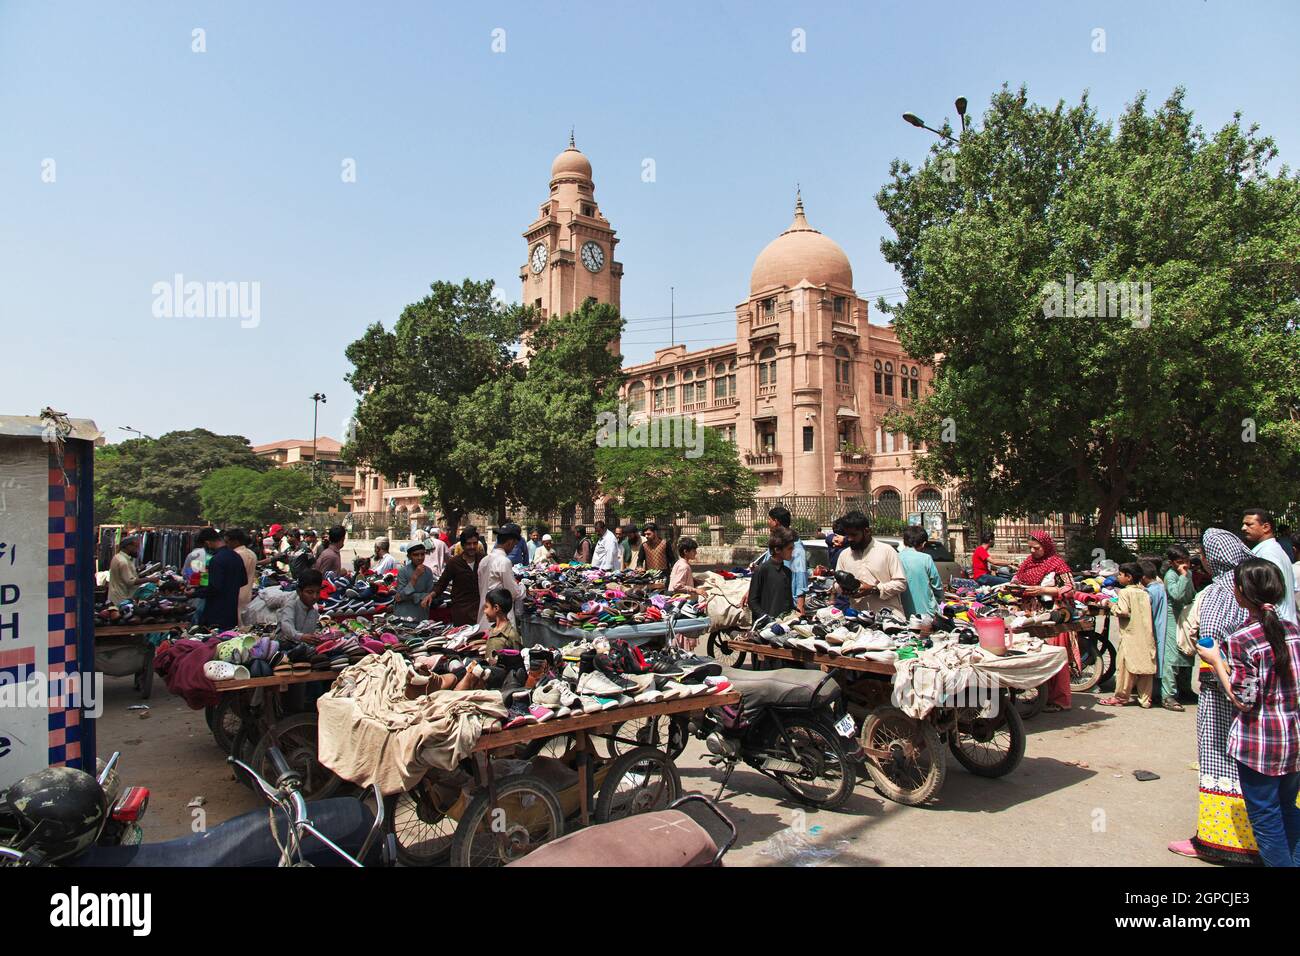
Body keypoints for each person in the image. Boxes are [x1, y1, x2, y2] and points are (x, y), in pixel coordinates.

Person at [1195, 558, 1300, 867]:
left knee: (1266, 817)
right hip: (1293, 737)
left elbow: (1244, 700)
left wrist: (1215, 660)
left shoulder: (1243, 638)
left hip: (1259, 743)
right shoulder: (1293, 629)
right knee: (1287, 807)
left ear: (1240, 592)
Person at [1170, 529, 1258, 862]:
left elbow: (1210, 639)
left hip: (1223, 689)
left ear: (1213, 557)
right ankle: (1258, 836)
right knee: (1251, 762)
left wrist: (1213, 658)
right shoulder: (1255, 582)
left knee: (1220, 757)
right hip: (1254, 687)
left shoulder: (1222, 589)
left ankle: (1221, 841)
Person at [1011, 530, 1074, 713]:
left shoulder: (1057, 563)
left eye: (1036, 548)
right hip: (1030, 613)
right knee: (1036, 654)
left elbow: (1069, 588)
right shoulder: (1028, 563)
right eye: (1030, 548)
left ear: (1045, 546)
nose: (1032, 551)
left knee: (1053, 656)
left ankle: (1060, 699)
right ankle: (1043, 696)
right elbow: (1018, 578)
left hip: (1052, 614)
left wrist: (1042, 590)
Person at [1099, 563, 1157, 708]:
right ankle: (1145, 699)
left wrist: (1110, 605)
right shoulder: (1144, 592)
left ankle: (1121, 697)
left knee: (1124, 666)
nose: (1118, 577)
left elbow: (1123, 611)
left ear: (1129, 577)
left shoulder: (1125, 592)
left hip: (1130, 635)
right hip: (1146, 634)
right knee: (1145, 667)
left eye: (1120, 574)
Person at [834, 510, 906, 615]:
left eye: (854, 535)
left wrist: (874, 589)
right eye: (847, 535)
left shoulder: (886, 551)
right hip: (858, 617)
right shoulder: (844, 555)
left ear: (867, 531)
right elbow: (836, 583)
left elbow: (901, 584)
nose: (849, 539)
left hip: (888, 619)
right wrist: (844, 589)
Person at [1242, 508, 1297, 624]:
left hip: (1276, 626)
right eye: (1243, 524)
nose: (1244, 528)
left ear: (1266, 527)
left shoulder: (1268, 554)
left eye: (1249, 524)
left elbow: (1272, 593)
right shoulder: (1271, 550)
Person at [1161, 545, 1197, 711]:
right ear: (1172, 563)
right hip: (1172, 617)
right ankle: (1168, 695)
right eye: (1180, 562)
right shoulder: (1171, 576)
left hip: (1185, 616)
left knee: (1187, 652)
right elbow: (1176, 595)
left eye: (1186, 561)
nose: (1185, 565)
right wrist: (1183, 576)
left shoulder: (1188, 573)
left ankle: (1185, 688)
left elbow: (1190, 595)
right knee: (1172, 656)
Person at [753, 506, 808, 604]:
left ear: (776, 521)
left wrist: (800, 607)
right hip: (770, 598)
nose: (768, 522)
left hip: (787, 601)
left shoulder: (796, 546)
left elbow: (801, 577)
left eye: (769, 519)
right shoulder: (776, 544)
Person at [192, 534, 247, 630]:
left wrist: (195, 593)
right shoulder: (236, 556)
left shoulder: (216, 559)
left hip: (216, 611)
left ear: (207, 543)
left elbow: (215, 587)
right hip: (232, 610)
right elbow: (243, 580)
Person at [430, 529, 482, 626]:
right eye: (468, 544)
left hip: (480, 610)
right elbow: (442, 584)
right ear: (462, 545)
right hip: (461, 611)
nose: (472, 547)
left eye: (475, 543)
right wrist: (431, 596)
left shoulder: (483, 560)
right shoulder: (454, 563)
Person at [478, 523, 524, 627]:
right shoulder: (504, 561)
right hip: (498, 619)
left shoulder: (484, 560)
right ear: (510, 542)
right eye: (514, 545)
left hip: (484, 616)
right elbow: (513, 593)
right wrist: (523, 588)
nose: (513, 548)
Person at [748, 527, 796, 620]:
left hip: (783, 625)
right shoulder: (762, 570)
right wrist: (766, 618)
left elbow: (788, 601)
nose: (792, 552)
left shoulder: (787, 572)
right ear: (777, 550)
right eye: (789, 549)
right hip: (765, 627)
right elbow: (752, 601)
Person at [898, 525, 942, 618]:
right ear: (923, 544)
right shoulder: (926, 558)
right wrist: (937, 602)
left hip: (901, 615)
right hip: (926, 615)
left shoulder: (896, 558)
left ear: (904, 541)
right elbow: (937, 586)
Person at [390, 542, 436, 622]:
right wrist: (415, 577)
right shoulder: (403, 571)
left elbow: (429, 595)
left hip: (421, 614)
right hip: (404, 614)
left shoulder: (428, 571)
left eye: (422, 554)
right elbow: (400, 597)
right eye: (416, 555)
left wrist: (413, 596)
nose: (420, 557)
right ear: (409, 556)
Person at [108, 535, 159, 604]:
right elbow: (130, 581)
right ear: (128, 546)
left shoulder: (118, 557)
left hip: (117, 596)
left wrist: (137, 570)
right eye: (136, 547)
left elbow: (122, 575)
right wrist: (150, 579)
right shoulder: (123, 561)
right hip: (121, 598)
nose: (137, 550)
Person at [482, 587, 523, 665]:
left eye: (486, 607)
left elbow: (517, 663)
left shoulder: (511, 635)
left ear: (496, 608)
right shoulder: (492, 630)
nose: (484, 611)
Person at [279, 569, 322, 640]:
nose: (314, 596)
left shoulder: (314, 611)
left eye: (317, 592)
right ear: (299, 592)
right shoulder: (291, 605)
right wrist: (301, 637)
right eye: (309, 592)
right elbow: (286, 626)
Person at [229, 528, 258, 624]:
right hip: (247, 592)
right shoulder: (252, 554)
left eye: (227, 541)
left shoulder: (236, 555)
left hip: (236, 592)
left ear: (235, 541)